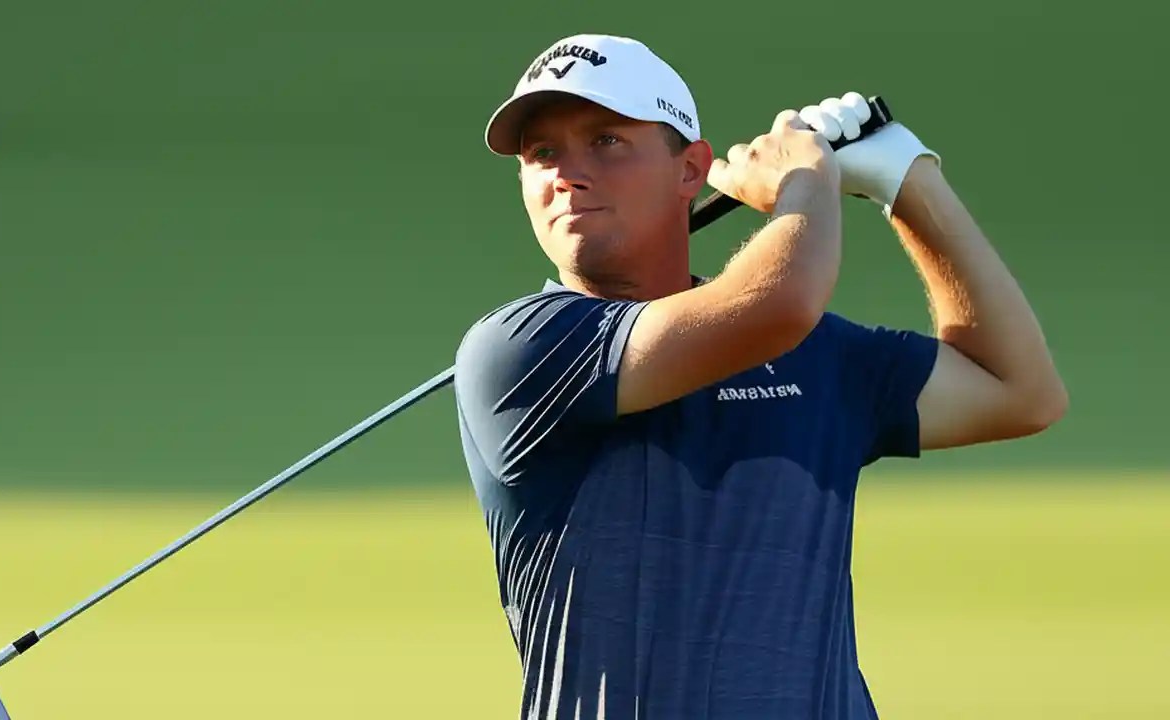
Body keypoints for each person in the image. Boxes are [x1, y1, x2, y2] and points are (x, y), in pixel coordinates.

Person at [453, 33, 1067, 719]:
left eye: (606, 141)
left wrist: (911, 183)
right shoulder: (522, 349)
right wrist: (806, 181)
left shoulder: (814, 356)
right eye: (543, 154)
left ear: (691, 170)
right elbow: (780, 301)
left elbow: (1022, 392)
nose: (568, 171)